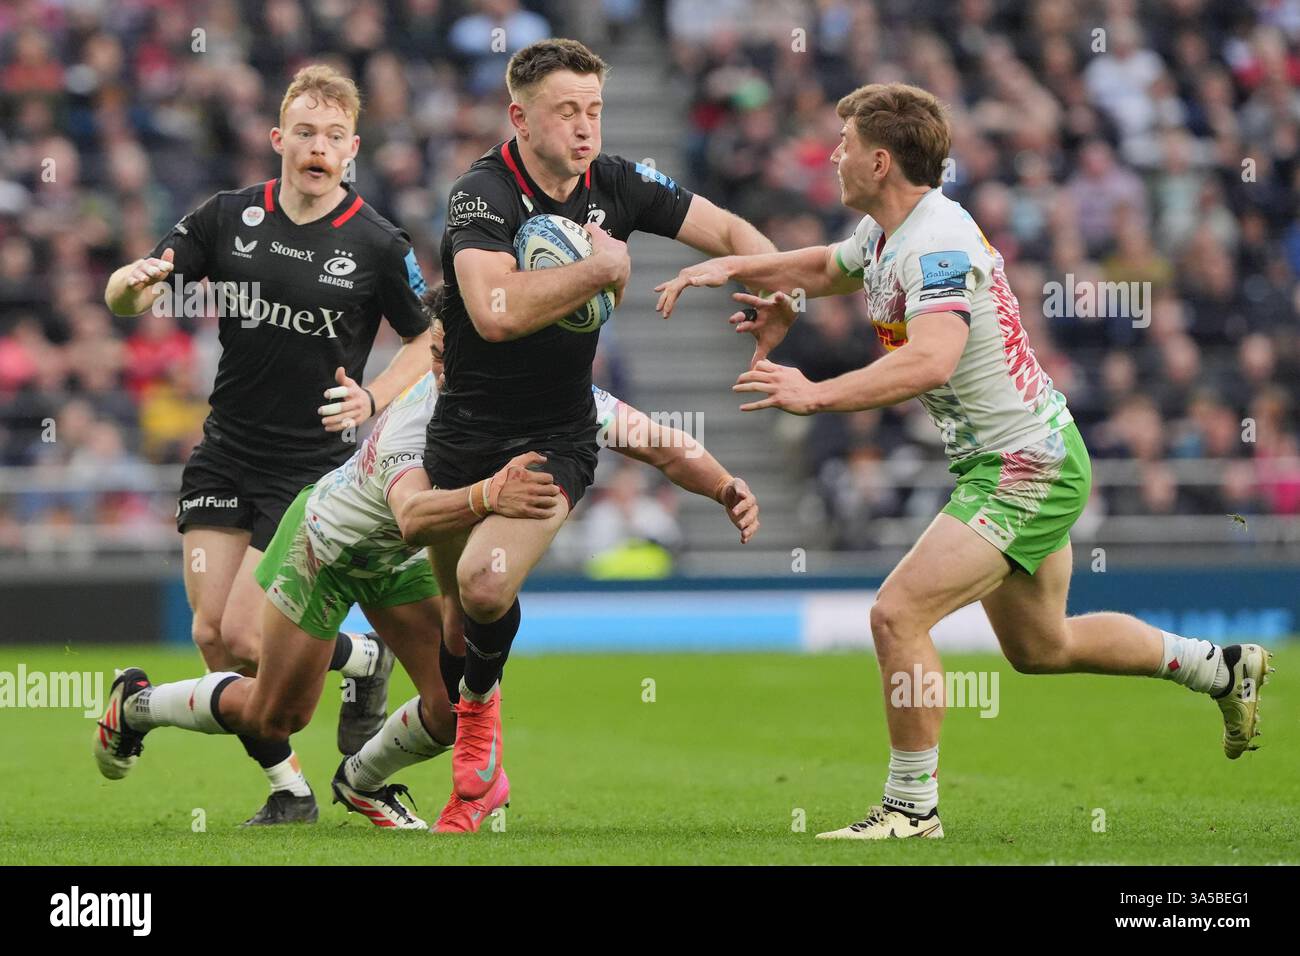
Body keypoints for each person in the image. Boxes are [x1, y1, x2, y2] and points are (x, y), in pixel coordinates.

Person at [655, 82, 1272, 840]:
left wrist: (815, 395)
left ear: (881, 161)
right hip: (1019, 454)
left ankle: (912, 807)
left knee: (896, 613)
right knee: (1043, 647)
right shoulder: (889, 230)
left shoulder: (936, 241)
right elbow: (827, 268)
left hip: (1027, 463)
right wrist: (738, 268)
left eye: (845, 144)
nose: (835, 155)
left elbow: (932, 361)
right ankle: (1220, 666)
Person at [94, 285, 760, 833]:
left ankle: (358, 783)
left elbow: (664, 445)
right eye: (436, 351)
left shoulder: (546, 400)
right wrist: (490, 493)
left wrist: (726, 487)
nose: (439, 366)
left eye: (450, 353)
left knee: (450, 709)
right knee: (279, 717)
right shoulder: (421, 418)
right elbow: (414, 514)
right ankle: (137, 705)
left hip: (404, 557)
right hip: (329, 544)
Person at [427, 38, 777, 808]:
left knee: (484, 587)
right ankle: (468, 750)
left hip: (558, 432)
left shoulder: (617, 182)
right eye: (566, 113)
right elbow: (491, 314)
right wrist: (602, 269)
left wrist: (775, 286)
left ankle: (481, 719)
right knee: (453, 628)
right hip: (462, 433)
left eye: (594, 111)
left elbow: (729, 231)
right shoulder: (480, 195)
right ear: (519, 117)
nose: (585, 129)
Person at [101, 64, 433, 824]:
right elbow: (129, 295)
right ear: (279, 139)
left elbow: (431, 336)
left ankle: (320, 714)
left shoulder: (379, 244)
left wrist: (375, 394)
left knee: (253, 632)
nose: (319, 147)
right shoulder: (228, 216)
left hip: (312, 467)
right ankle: (310, 754)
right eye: (306, 133)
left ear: (353, 150)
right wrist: (135, 279)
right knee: (216, 639)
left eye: (335, 136)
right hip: (226, 452)